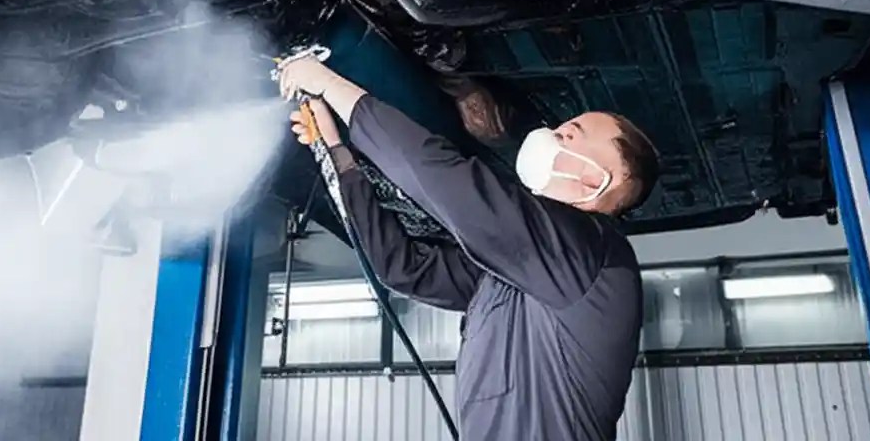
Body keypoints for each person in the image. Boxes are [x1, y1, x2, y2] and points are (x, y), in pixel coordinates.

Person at [279, 57, 659, 441]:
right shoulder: (518, 273)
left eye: (570, 133)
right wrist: (334, 145)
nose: (553, 133)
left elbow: (443, 178)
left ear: (594, 179)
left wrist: (332, 86)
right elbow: (404, 268)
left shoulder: (594, 254)